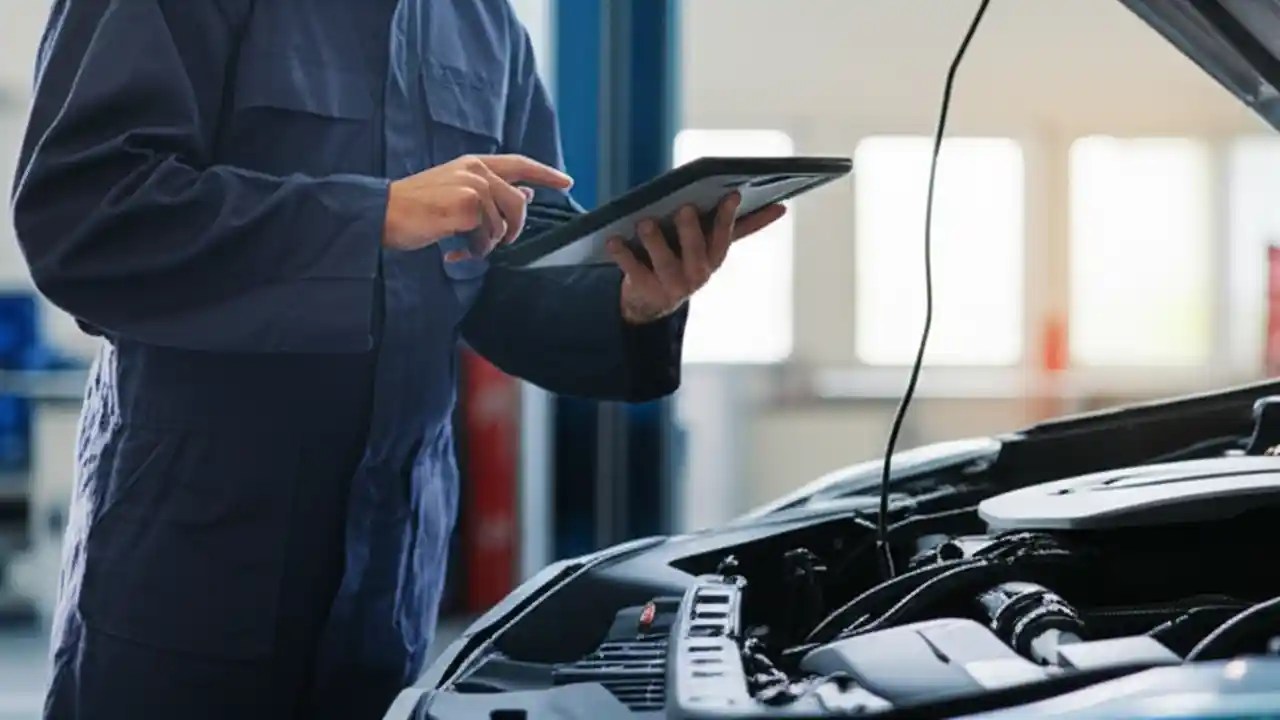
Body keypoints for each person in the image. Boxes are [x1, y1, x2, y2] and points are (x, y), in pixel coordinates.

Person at [10, 1, 785, 719]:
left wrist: (636, 299)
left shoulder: (481, 20)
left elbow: (506, 278)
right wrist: (372, 215)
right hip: (192, 571)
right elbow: (86, 214)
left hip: (387, 596)